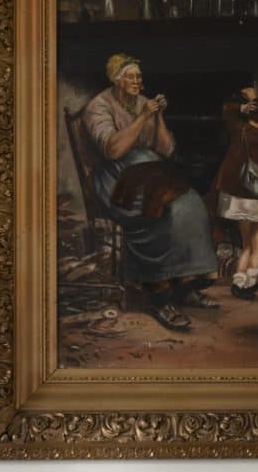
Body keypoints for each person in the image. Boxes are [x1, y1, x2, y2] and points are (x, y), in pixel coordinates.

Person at [80, 54, 217, 332]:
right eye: (130, 76)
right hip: (114, 179)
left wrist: (158, 116)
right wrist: (143, 117)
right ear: (115, 79)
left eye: (139, 76)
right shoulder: (98, 107)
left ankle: (185, 285)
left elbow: (166, 150)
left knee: (190, 202)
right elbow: (112, 150)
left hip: (148, 171)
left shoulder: (143, 102)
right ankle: (159, 296)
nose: (137, 81)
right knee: (158, 210)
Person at [212, 84, 258, 295]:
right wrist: (257, 99)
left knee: (245, 244)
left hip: (239, 197)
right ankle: (250, 282)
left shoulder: (239, 130)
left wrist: (244, 107)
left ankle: (238, 280)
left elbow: (226, 110)